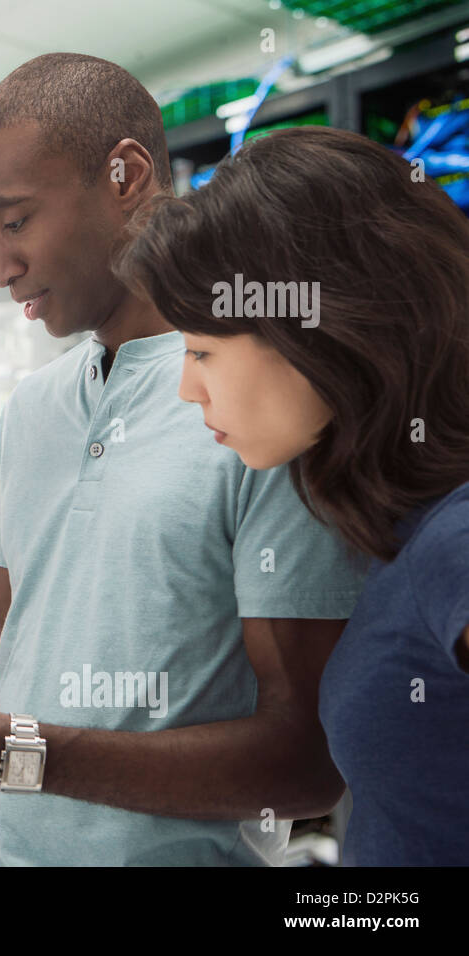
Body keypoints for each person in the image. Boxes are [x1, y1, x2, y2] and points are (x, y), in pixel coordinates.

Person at [0, 53, 370, 866]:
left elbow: (306, 763)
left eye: (16, 221)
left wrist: (3, 754)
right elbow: (24, 678)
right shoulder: (30, 413)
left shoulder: (262, 413)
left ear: (126, 176)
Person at [114, 125, 469, 865]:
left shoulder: (454, 538)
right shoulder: (397, 527)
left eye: (202, 350)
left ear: (319, 333)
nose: (187, 388)